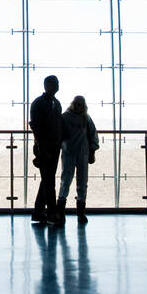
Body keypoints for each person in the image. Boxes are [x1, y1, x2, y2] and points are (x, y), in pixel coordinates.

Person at [53, 95, 100, 227]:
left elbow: (92, 135)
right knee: (67, 180)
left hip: (77, 152)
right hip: (72, 152)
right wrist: (92, 151)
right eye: (77, 103)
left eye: (80, 104)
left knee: (80, 181)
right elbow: (93, 135)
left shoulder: (82, 118)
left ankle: (74, 211)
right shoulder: (71, 117)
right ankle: (68, 211)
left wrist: (92, 152)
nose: (78, 106)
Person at [28, 75, 63, 224]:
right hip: (45, 147)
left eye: (57, 83)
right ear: (46, 85)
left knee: (47, 180)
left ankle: (38, 211)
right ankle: (51, 213)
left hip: (53, 147)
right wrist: (41, 148)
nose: (56, 86)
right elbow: (36, 127)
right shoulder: (43, 103)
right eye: (54, 83)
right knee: (49, 181)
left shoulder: (52, 103)